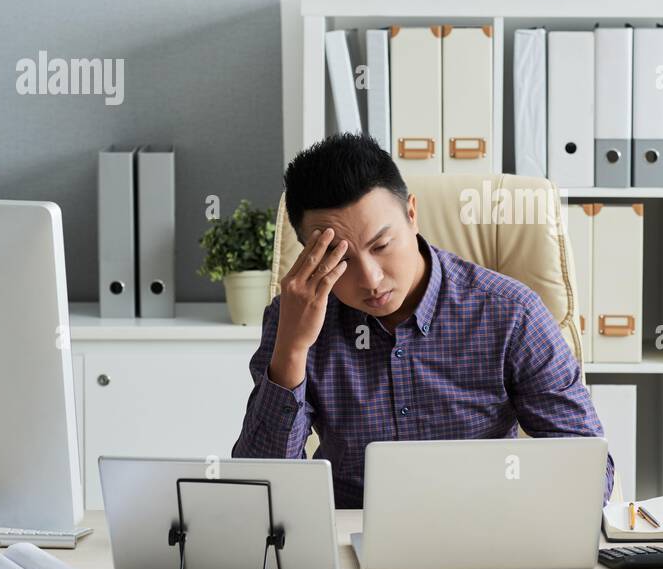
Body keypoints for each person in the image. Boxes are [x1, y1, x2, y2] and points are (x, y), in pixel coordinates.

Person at [231, 132, 614, 508]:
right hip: (350, 533)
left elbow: (589, 473)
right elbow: (262, 492)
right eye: (340, 259)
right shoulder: (295, 317)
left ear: (412, 214)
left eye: (382, 245)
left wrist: (514, 513)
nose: (371, 279)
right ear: (309, 253)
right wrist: (292, 349)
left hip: (483, 528)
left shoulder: (511, 313)